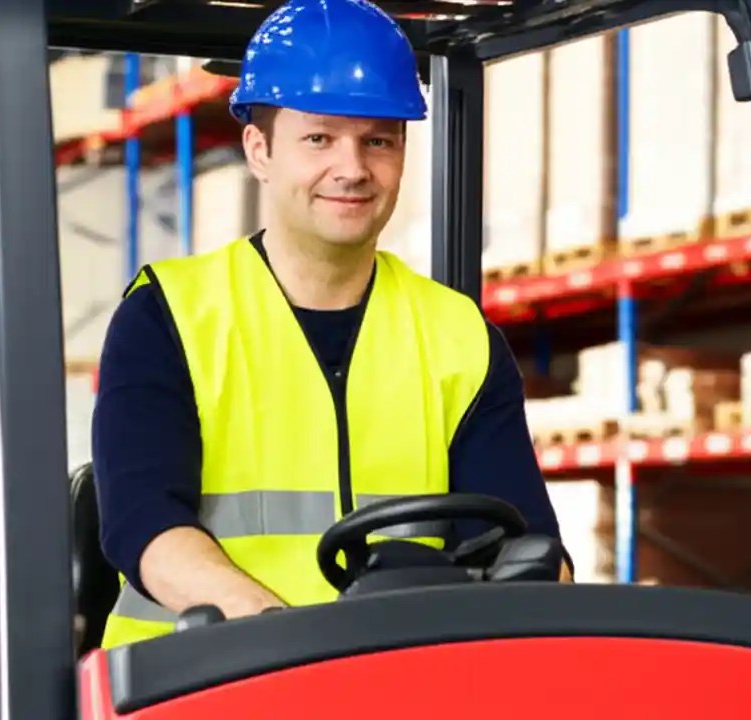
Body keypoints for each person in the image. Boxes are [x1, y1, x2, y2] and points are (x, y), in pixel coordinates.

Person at [91, 0, 570, 649]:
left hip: (399, 680)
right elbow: (145, 525)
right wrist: (282, 641)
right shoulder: (169, 315)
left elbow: (525, 544)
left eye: (378, 139)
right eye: (319, 138)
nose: (352, 169)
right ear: (259, 149)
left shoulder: (458, 335)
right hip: (205, 680)